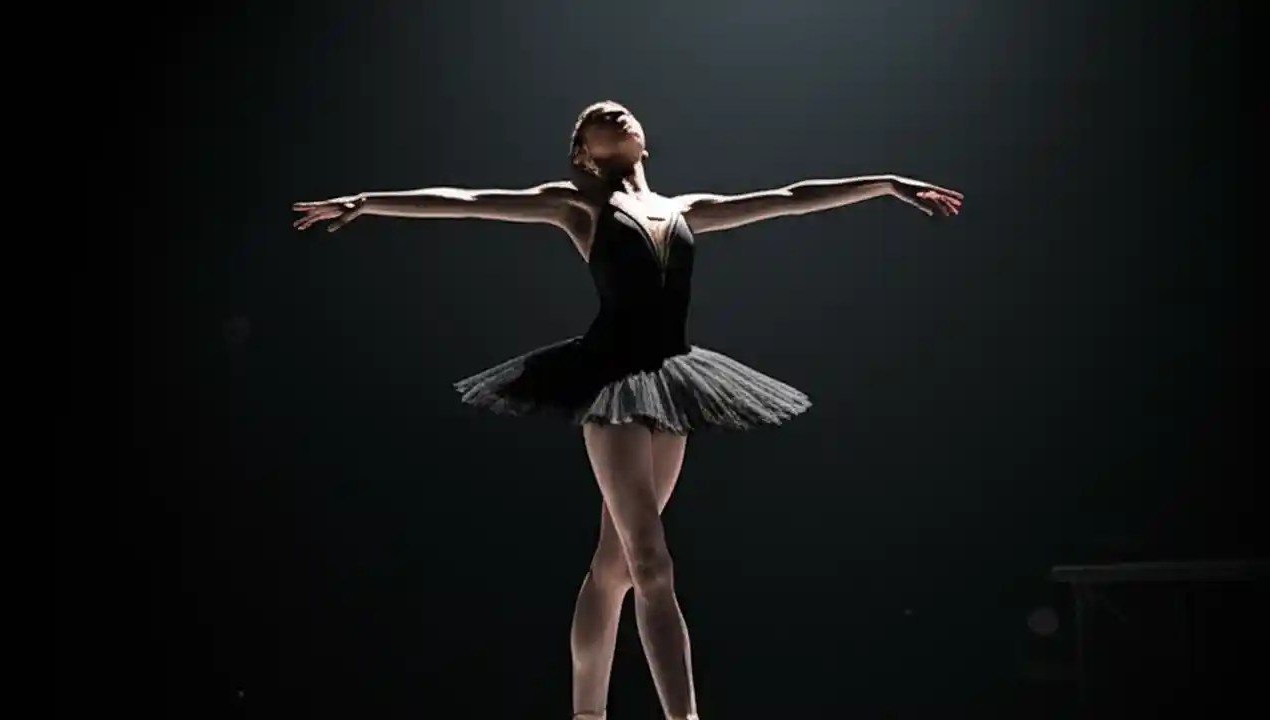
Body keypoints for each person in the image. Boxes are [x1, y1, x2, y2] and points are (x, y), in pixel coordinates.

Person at [292, 99, 963, 720]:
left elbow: (789, 199)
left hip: (671, 380)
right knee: (650, 560)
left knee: (615, 563)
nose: (608, 110)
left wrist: (884, 183)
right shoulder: (577, 204)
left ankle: (587, 714)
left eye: (618, 111)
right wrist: (369, 201)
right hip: (608, 379)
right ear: (584, 152)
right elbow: (469, 202)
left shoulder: (683, 208)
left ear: (640, 138)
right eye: (591, 119)